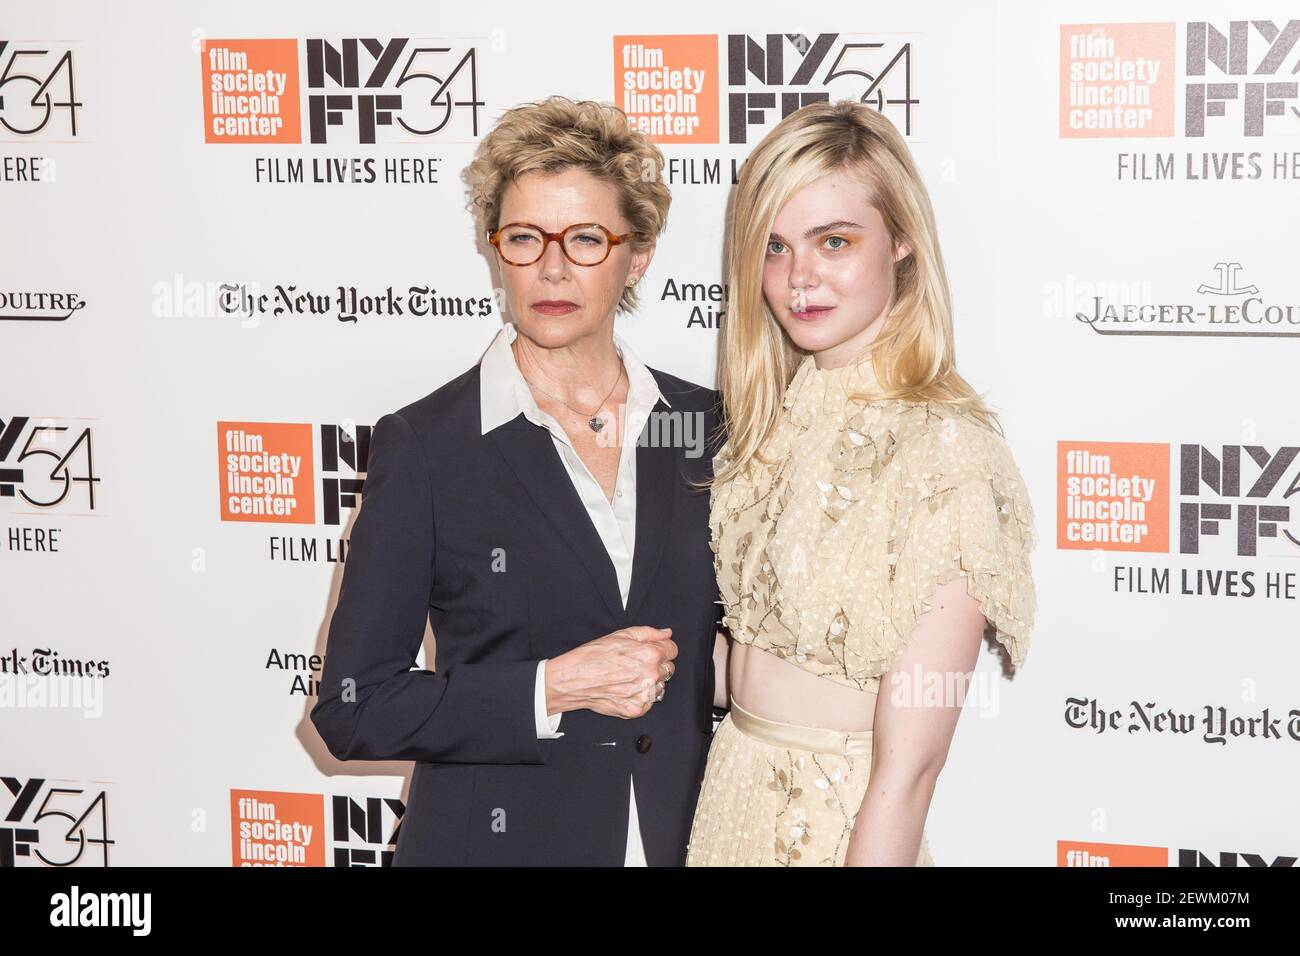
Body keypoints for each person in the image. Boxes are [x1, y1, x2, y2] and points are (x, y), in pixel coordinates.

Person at [311, 95, 727, 866]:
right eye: (527, 238)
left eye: (587, 239)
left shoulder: (709, 427)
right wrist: (552, 687)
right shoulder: (428, 445)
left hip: (685, 841)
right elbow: (351, 708)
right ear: (496, 250)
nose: (554, 267)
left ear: (638, 255)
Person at [686, 100, 1038, 867]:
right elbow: (753, 663)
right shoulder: (774, 421)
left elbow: (910, 771)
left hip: (834, 830)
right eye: (774, 248)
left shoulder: (946, 453)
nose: (797, 278)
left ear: (902, 241)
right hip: (730, 798)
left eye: (833, 242)